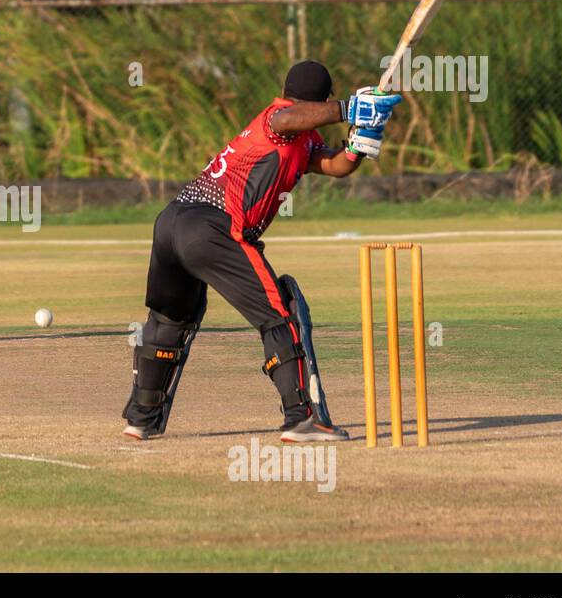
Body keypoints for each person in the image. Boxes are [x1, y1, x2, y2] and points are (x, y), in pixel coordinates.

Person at [120, 60, 401, 442]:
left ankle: (141, 417)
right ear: (322, 100)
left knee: (171, 320)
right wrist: (348, 109)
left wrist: (360, 142)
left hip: (171, 222)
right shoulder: (277, 120)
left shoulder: (304, 140)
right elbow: (287, 119)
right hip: (212, 227)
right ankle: (301, 418)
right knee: (280, 312)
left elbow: (335, 165)